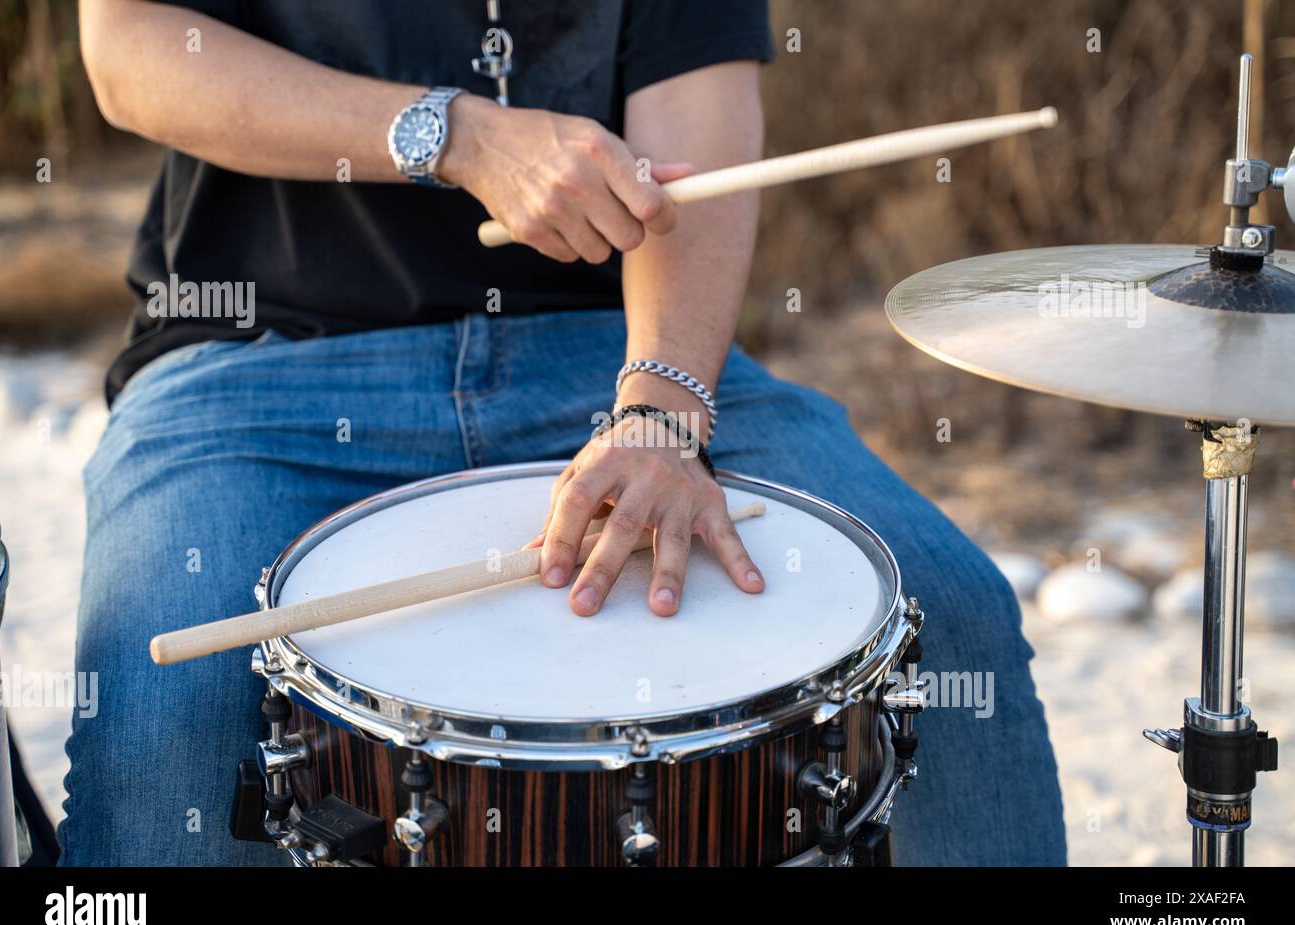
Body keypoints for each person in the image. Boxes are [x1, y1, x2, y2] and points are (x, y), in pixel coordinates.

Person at [64, 0, 1065, 866]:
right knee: (171, 710)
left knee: (949, 613)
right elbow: (128, 48)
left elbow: (700, 112)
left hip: (611, 348)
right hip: (257, 358)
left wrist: (663, 410)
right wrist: (458, 135)